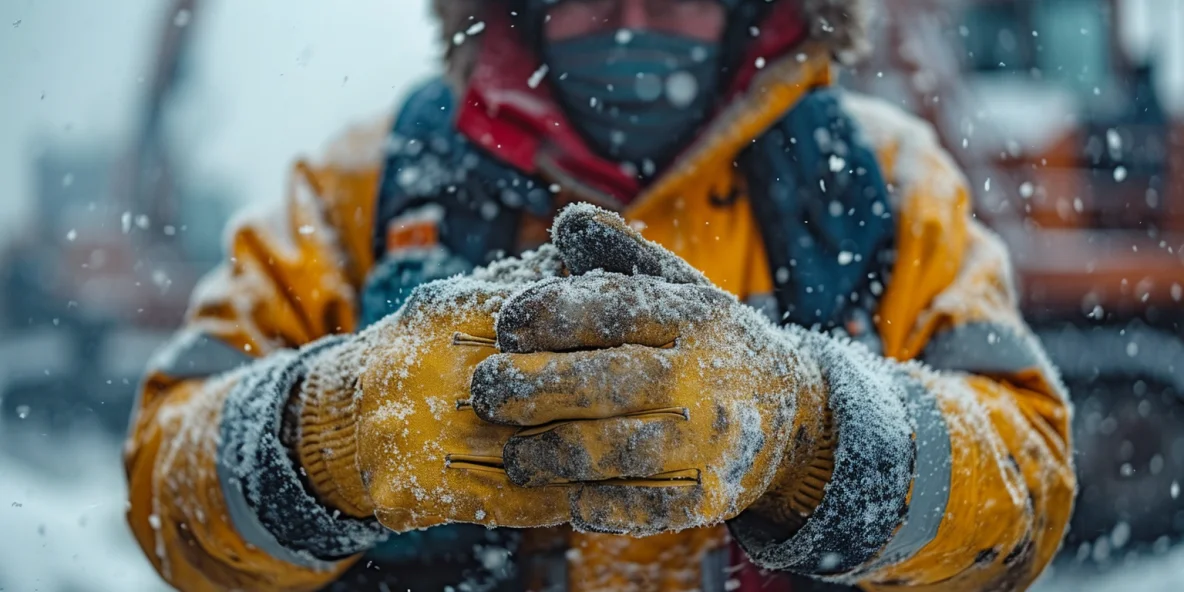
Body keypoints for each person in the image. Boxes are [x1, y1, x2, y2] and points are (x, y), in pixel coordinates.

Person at [124, 1, 1076, 590]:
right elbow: (168, 477)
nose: (630, 16)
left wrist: (812, 438)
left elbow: (1027, 485)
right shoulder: (365, 182)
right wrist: (329, 440)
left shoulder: (882, 181)